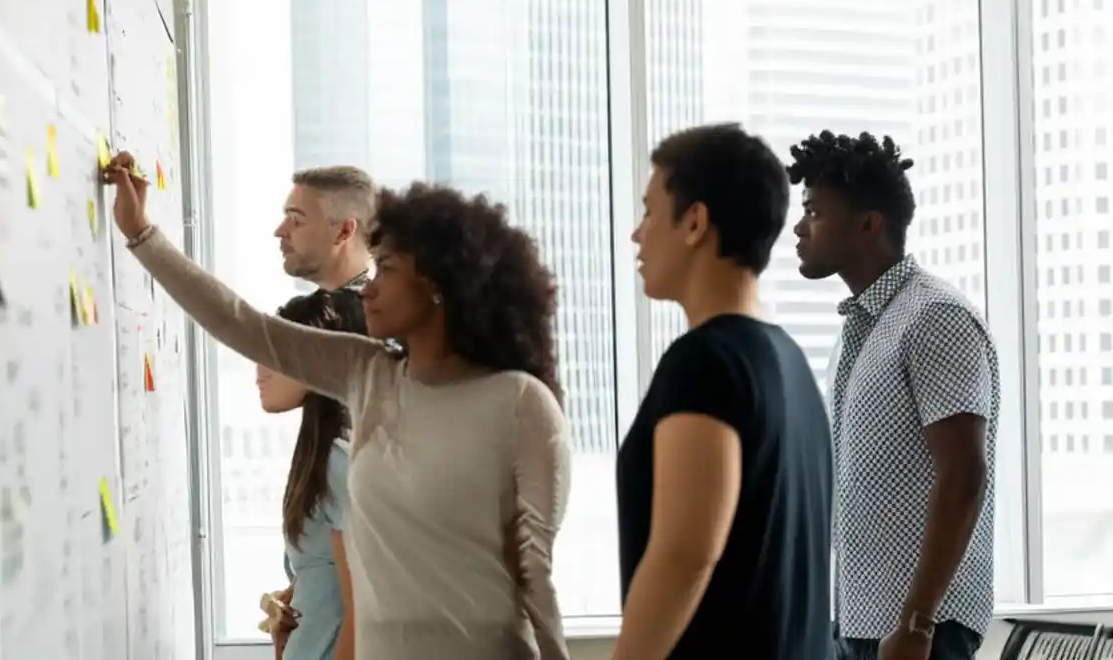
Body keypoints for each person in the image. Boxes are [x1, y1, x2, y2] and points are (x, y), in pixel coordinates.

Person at [103, 151, 571, 660]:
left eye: (386, 269)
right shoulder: (367, 373)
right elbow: (242, 324)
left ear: (439, 283)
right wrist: (140, 233)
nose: (368, 288)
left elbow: (536, 579)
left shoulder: (520, 403)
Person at [613, 124, 833, 659]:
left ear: (694, 222)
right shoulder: (791, 364)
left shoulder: (706, 364)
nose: (636, 235)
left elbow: (685, 555)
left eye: (648, 211)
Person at [789, 130, 999, 660]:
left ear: (867, 223)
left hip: (922, 632)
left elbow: (964, 474)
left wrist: (918, 624)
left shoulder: (935, 317)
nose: (799, 227)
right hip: (860, 623)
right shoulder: (862, 329)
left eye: (814, 211)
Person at [258, 290, 368, 660]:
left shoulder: (340, 463)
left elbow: (363, 610)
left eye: (278, 351)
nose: (261, 366)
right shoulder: (318, 458)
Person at [275, 166, 376, 292]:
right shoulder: (305, 309)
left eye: (296, 220)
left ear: (344, 231)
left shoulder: (384, 310)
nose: (279, 231)